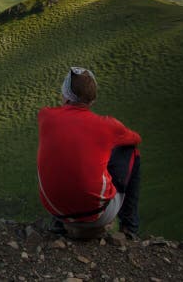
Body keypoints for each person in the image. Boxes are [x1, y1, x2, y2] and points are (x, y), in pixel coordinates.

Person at [37, 67, 141, 239]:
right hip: (96, 215)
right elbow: (135, 139)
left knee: (58, 151)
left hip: (55, 210)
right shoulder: (108, 126)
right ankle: (130, 229)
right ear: (92, 100)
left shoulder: (45, 116)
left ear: (64, 95)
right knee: (130, 151)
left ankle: (57, 227)